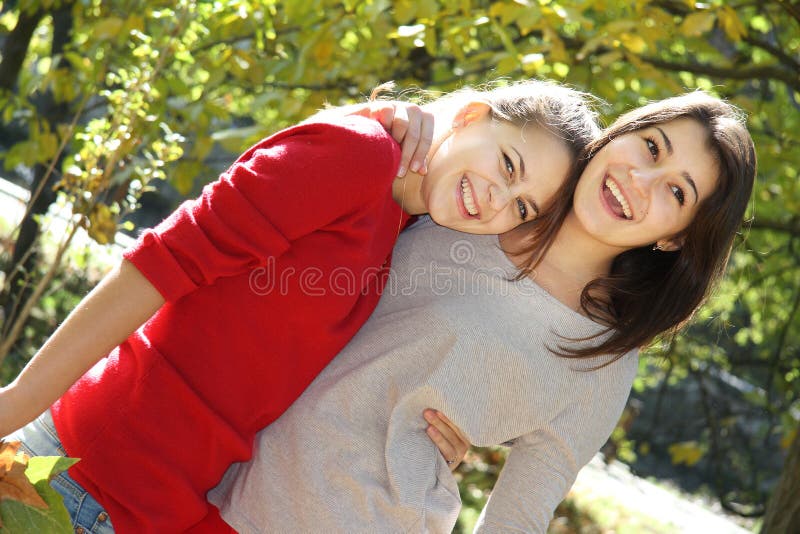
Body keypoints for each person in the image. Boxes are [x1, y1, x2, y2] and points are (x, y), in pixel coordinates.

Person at [1, 80, 601, 533]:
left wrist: (430, 435)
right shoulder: (360, 154)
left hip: (161, 505)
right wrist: (13, 405)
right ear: (470, 117)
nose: (498, 198)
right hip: (79, 472)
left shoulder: (403, 231)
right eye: (508, 164)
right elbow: (159, 267)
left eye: (523, 208)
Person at [207, 91, 757, 533]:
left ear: (678, 239)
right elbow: (313, 193)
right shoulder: (494, 192)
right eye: (652, 148)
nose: (639, 181)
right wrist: (377, 117)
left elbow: (515, 520)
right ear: (621, 134)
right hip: (216, 453)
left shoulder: (603, 357)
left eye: (677, 193)